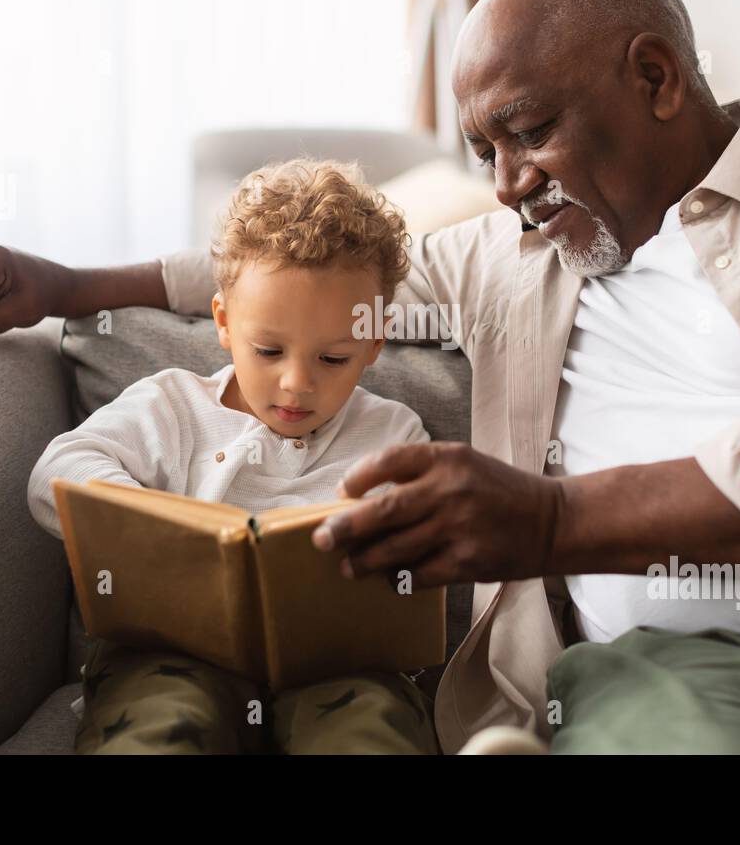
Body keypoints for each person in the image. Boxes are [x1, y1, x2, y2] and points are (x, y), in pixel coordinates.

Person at [0, 0, 740, 755]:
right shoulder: (514, 259)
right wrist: (72, 284)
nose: (507, 185)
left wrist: (554, 520)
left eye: (529, 132)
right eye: (483, 153)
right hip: (686, 682)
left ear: (655, 77)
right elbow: (307, 275)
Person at [25, 158, 437, 754]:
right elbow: (57, 472)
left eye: (332, 358)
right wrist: (153, 522)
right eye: (268, 350)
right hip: (173, 654)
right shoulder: (173, 404)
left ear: (374, 340)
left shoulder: (392, 431)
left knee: (367, 731)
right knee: (157, 728)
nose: (296, 384)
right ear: (223, 322)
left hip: (340, 665)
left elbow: (418, 549)